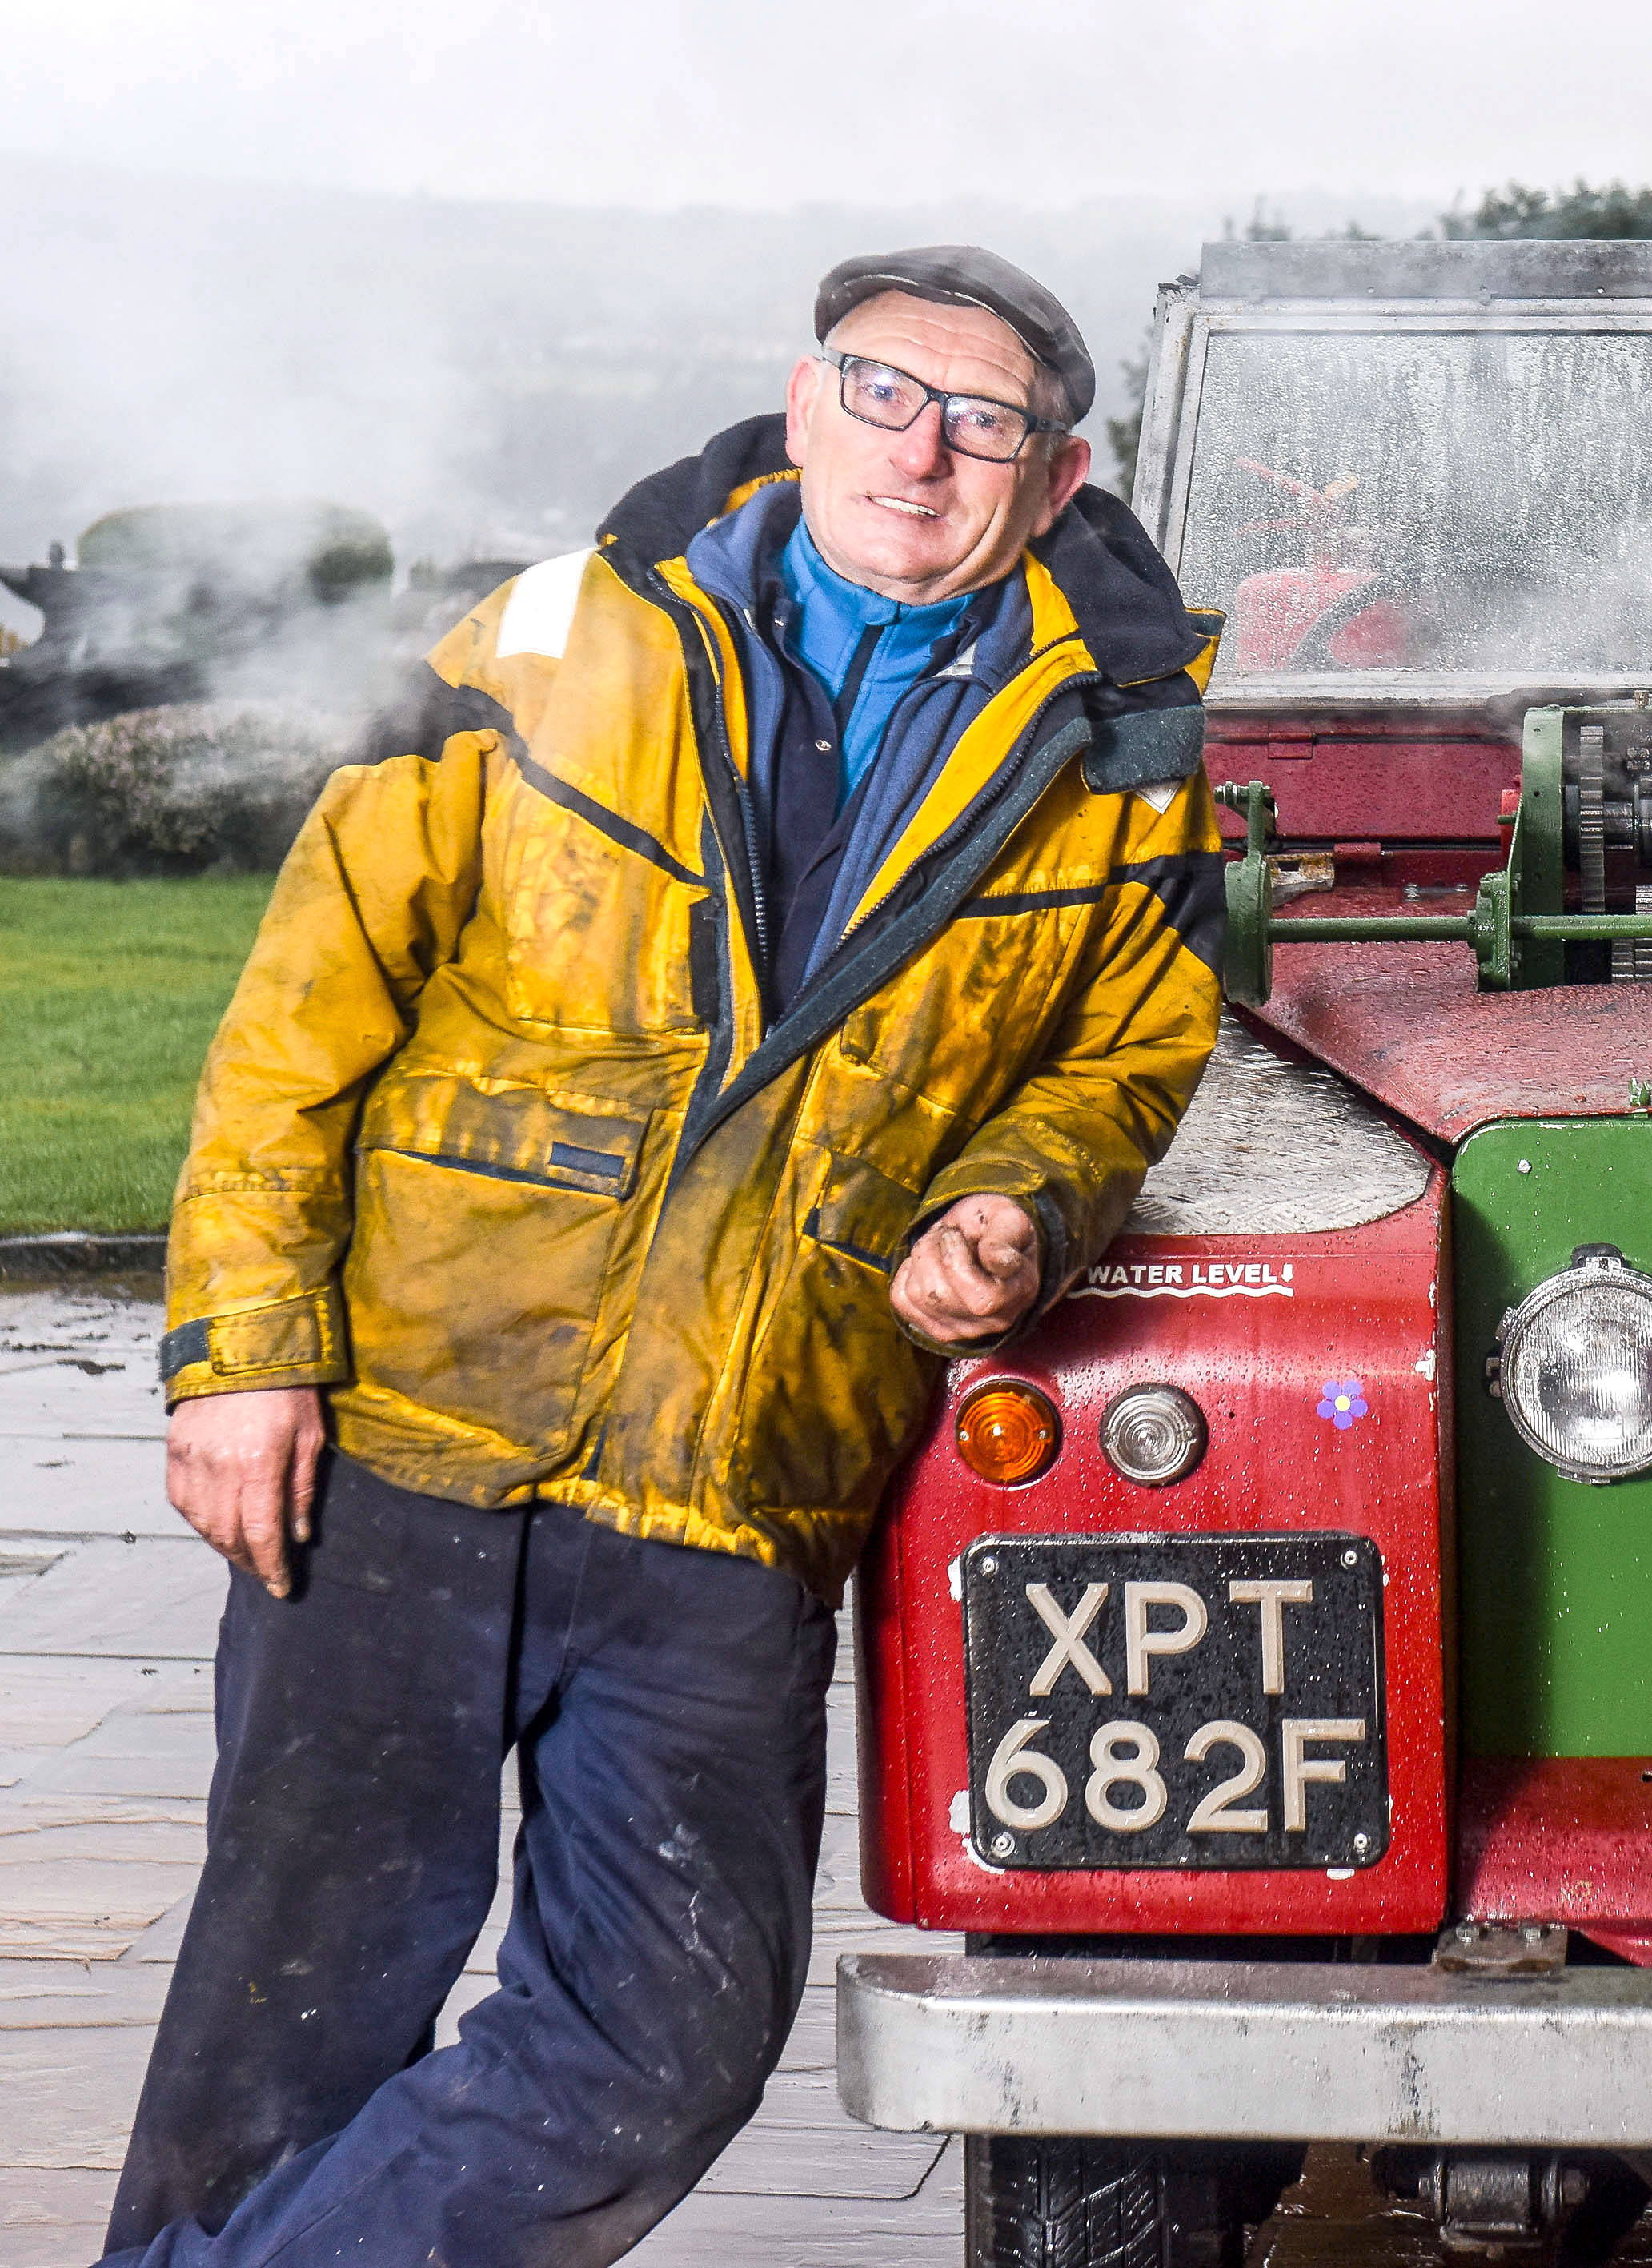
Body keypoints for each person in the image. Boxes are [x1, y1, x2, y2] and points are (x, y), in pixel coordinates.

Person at [105, 246, 1225, 2266]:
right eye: (882, 391)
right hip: (406, 1435)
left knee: (664, 2040)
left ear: (1057, 479)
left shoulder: (1122, 752)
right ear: (803, 406)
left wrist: (1021, 1206)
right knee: (287, 2026)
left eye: (984, 421)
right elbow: (301, 1015)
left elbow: (1122, 1057)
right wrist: (241, 1350)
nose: (920, 451)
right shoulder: (553, 638)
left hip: (741, 1472)